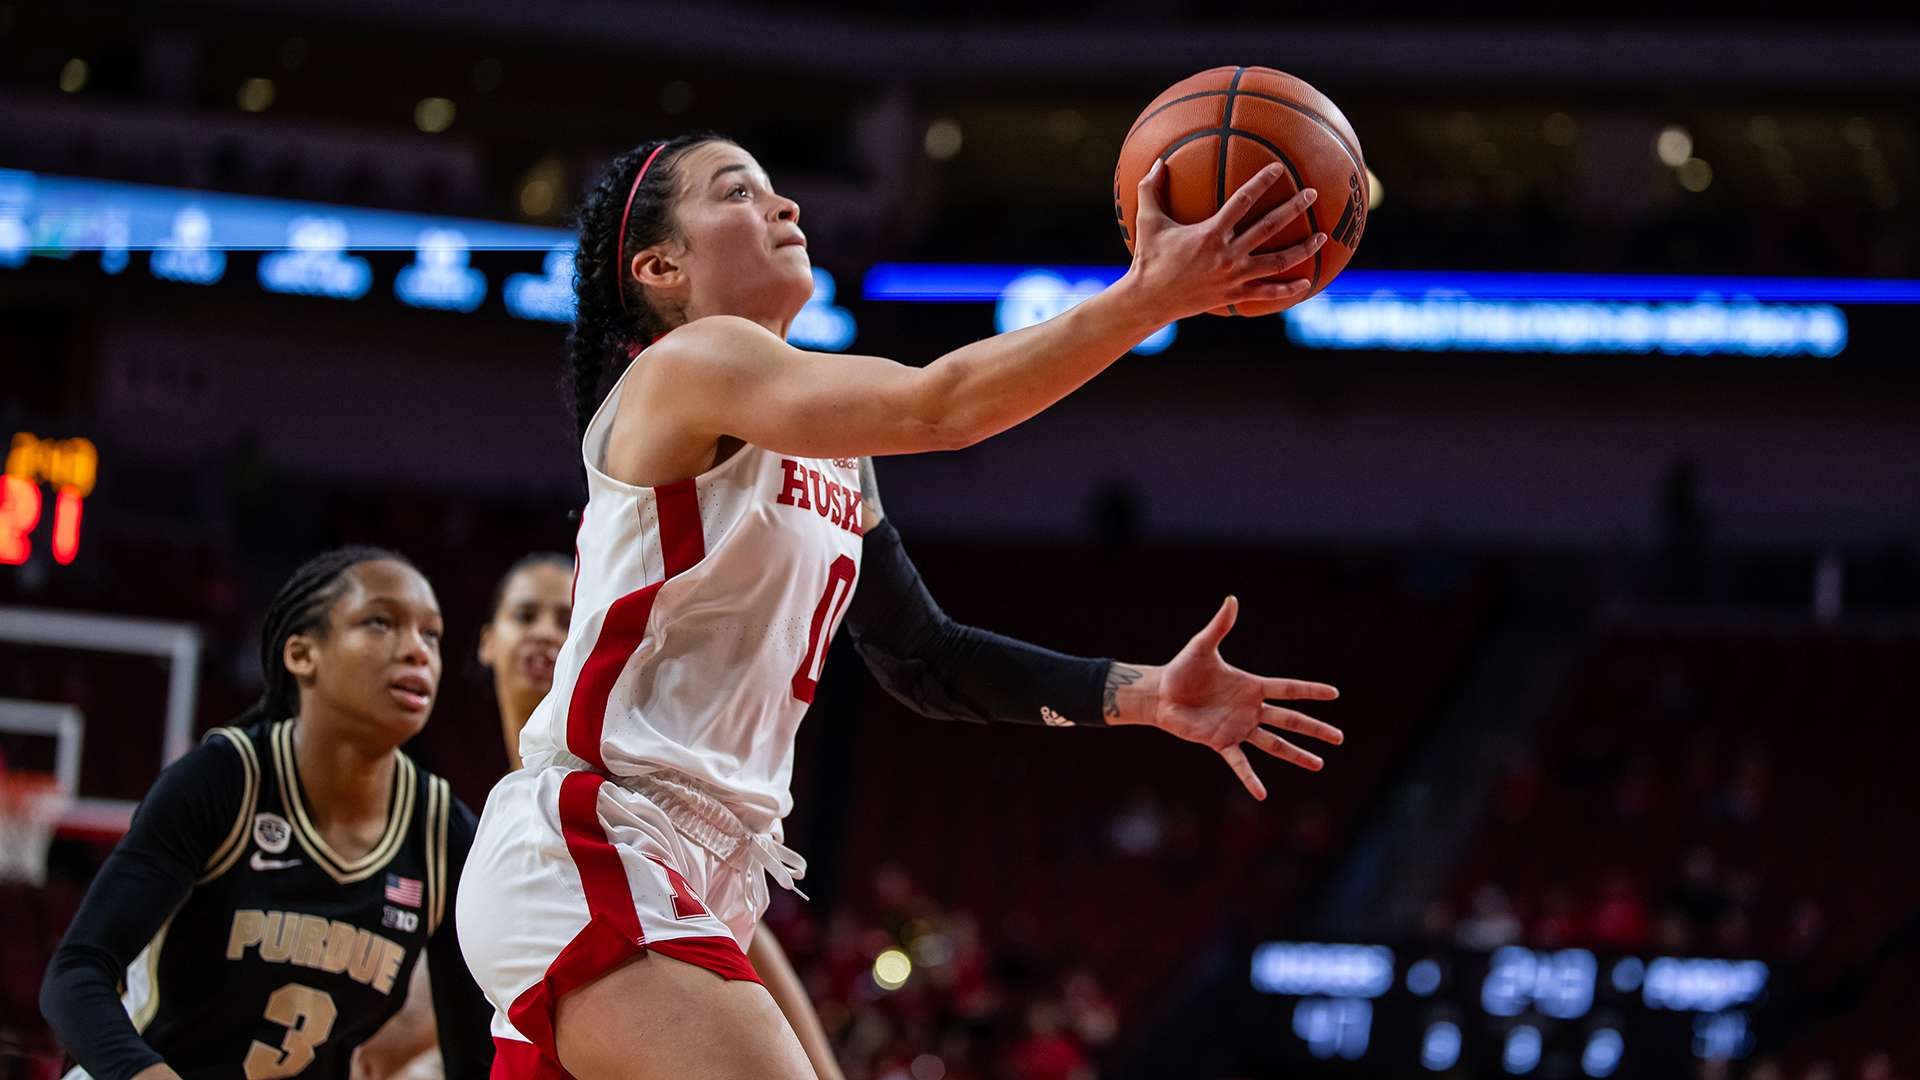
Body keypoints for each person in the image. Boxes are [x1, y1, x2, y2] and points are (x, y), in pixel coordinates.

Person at [457, 133, 1344, 1079]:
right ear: (661, 266)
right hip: (597, 835)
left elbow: (923, 654)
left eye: (776, 187)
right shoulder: (688, 364)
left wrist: (1144, 693)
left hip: (706, 868)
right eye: (739, 193)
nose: (785, 207)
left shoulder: (832, 443)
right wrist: (1149, 297)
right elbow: (941, 405)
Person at [40, 548, 494, 1080]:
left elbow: (473, 1050)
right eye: (380, 622)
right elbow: (73, 976)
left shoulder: (442, 830)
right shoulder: (226, 777)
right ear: (302, 655)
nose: (417, 650)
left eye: (432, 635)